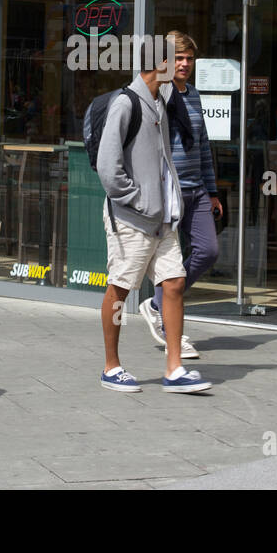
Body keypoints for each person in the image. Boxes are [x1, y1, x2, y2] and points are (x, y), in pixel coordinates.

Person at [96, 41, 210, 394]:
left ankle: (174, 368)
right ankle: (111, 366)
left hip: (163, 218)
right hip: (132, 218)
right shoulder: (126, 103)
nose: (180, 65)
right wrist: (138, 201)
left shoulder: (161, 101)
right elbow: (107, 167)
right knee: (120, 289)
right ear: (157, 64)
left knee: (174, 283)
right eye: (172, 59)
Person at [139, 32, 222, 360]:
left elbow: (203, 146)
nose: (185, 64)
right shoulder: (157, 94)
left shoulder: (195, 96)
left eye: (189, 59)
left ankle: (158, 304)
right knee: (169, 264)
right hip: (167, 191)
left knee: (209, 250)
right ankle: (171, 331)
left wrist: (212, 190)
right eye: (178, 58)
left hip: (197, 189)